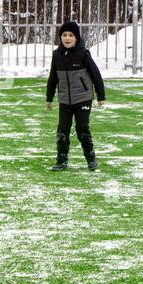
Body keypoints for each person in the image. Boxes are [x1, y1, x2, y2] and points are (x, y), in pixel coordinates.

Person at [45, 20, 106, 171]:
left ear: (76, 38)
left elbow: (96, 75)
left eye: (70, 35)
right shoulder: (57, 55)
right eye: (64, 35)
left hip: (83, 99)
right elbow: (53, 77)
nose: (67, 38)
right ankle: (61, 161)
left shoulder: (83, 54)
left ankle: (91, 159)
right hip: (65, 100)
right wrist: (49, 97)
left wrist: (101, 96)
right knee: (62, 130)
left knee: (82, 128)